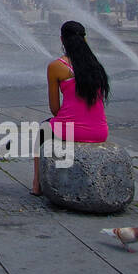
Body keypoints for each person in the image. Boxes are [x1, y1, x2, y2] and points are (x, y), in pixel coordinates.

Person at [32, 20, 110, 196]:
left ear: (62, 39)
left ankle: (36, 184)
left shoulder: (56, 67)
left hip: (71, 130)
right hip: (100, 131)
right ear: (84, 39)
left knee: (42, 130)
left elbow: (54, 109)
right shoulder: (95, 66)